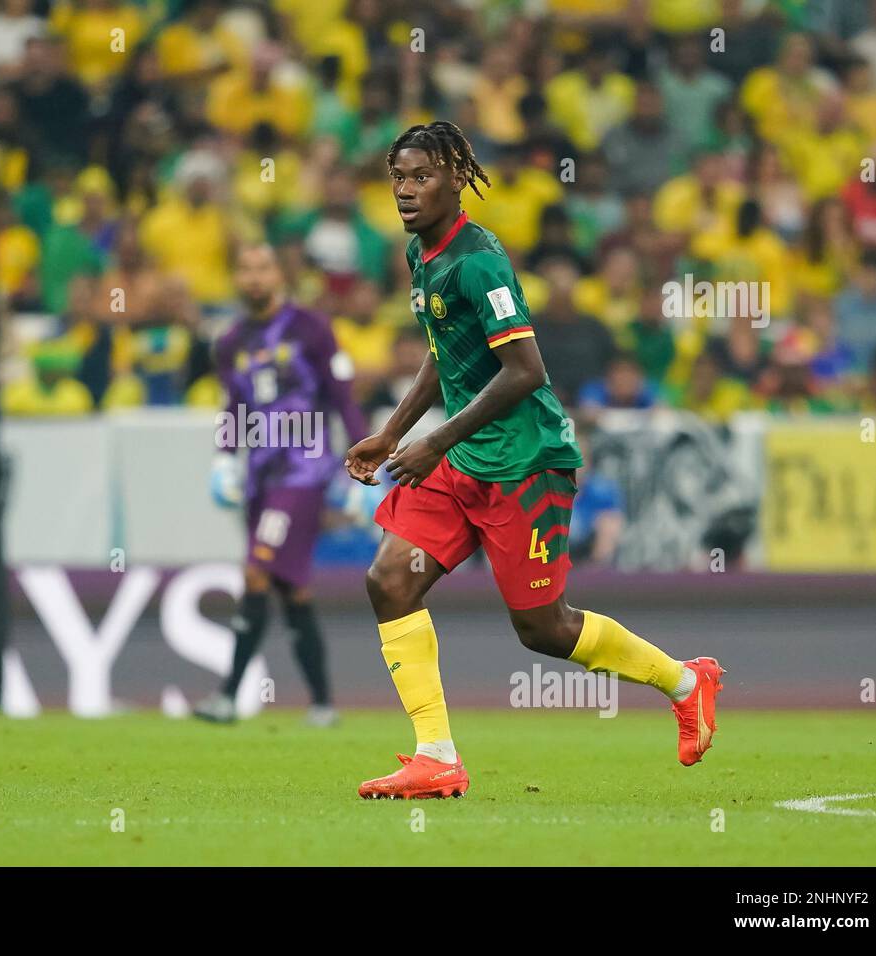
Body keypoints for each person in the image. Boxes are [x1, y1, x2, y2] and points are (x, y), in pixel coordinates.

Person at [344, 122, 724, 800]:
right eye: (398, 177)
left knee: (543, 631)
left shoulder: (480, 259)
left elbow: (523, 369)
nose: (406, 190)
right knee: (389, 580)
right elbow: (448, 348)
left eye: (421, 176)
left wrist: (432, 440)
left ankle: (687, 682)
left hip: (525, 461)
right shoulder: (421, 253)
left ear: (457, 179)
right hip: (464, 456)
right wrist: (396, 429)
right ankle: (437, 756)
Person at [194, 244, 368, 727]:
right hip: (260, 477)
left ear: (279, 275)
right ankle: (323, 704)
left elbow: (342, 399)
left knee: (256, 571)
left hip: (304, 472)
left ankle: (227, 697)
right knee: (292, 588)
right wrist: (225, 459)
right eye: (245, 269)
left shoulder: (311, 328)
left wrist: (365, 461)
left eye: (262, 268)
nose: (254, 278)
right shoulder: (230, 342)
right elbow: (233, 406)